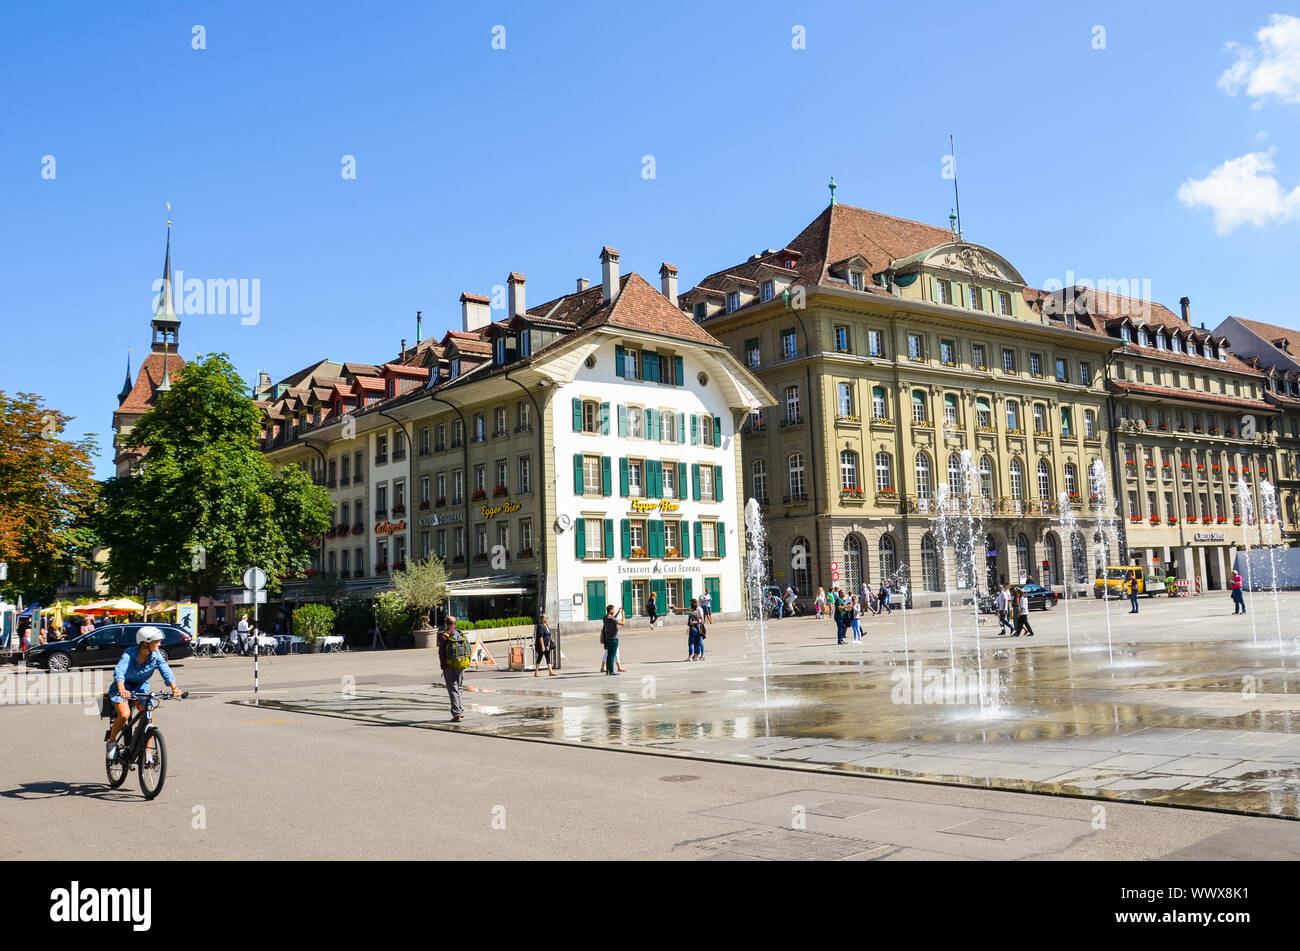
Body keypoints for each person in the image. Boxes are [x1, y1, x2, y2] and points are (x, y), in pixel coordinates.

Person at [105, 626, 181, 761]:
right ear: (145, 642)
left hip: (141, 687)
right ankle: (111, 742)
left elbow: (165, 670)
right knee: (124, 714)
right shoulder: (129, 653)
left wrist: (174, 688)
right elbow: (119, 672)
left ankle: (146, 752)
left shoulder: (156, 655)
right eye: (156, 641)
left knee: (149, 716)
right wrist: (122, 688)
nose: (160, 644)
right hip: (123, 686)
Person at [437, 615, 466, 721]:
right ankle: (460, 710)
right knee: (459, 687)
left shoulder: (445, 636)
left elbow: (441, 653)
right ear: (455, 624)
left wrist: (443, 665)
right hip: (460, 664)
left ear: (446, 624)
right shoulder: (460, 634)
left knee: (452, 688)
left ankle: (457, 714)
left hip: (449, 665)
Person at [600, 605, 624, 675]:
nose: (614, 610)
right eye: (613, 609)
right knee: (612, 655)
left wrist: (618, 613)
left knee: (609, 655)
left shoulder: (605, 618)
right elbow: (623, 623)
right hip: (614, 639)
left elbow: (613, 619)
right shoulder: (612, 619)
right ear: (610, 610)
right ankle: (611, 671)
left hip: (608, 638)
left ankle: (608, 670)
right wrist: (623, 615)